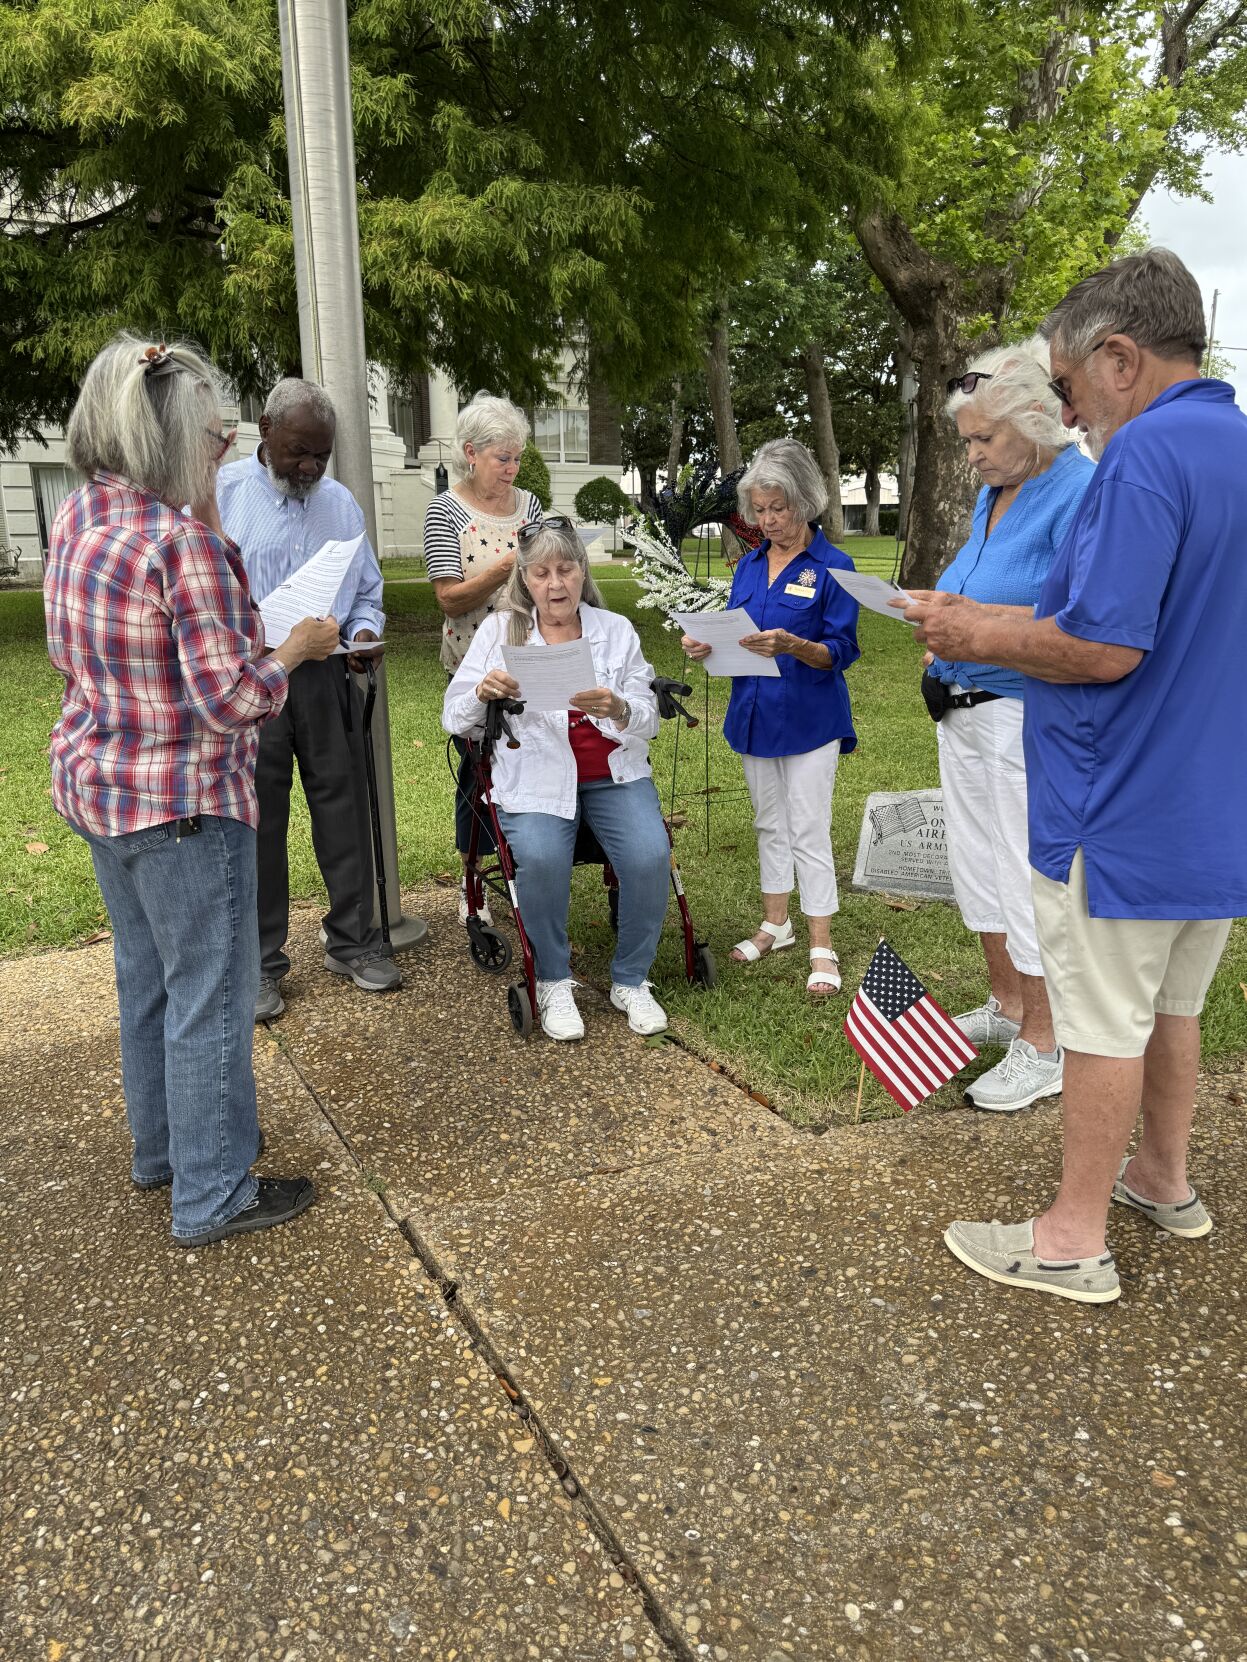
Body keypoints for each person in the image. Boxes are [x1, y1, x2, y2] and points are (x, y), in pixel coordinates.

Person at [902, 249, 1247, 1305]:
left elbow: (1099, 647)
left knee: (1099, 1025)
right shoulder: (1232, 444)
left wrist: (970, 629)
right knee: (1171, 1008)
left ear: (1117, 357)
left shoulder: (1140, 458)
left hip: (1119, 803)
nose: (1066, 410)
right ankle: (1162, 1178)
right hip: (1210, 804)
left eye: (1061, 387)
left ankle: (1068, 1239)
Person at [44, 335, 339, 1247]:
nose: (223, 452)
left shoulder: (82, 519)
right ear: (176, 441)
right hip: (183, 805)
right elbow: (234, 698)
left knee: (148, 982)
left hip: (102, 790)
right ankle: (212, 1194)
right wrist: (293, 649)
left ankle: (163, 1151)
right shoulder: (183, 545)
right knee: (211, 993)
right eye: (215, 438)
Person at [933, 340, 1095, 1111]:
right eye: (965, 439)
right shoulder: (994, 490)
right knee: (977, 868)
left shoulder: (1078, 490)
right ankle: (1005, 1006)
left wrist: (973, 618)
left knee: (1025, 875)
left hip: (1024, 713)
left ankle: (1046, 1039)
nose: (971, 456)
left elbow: (1083, 618)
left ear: (1036, 421)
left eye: (983, 439)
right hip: (962, 705)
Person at [443, 518, 671, 1042]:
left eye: (565, 570)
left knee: (649, 854)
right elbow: (453, 716)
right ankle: (552, 979)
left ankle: (631, 980)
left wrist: (618, 706)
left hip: (612, 773)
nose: (555, 584)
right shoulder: (502, 631)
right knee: (542, 857)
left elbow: (649, 718)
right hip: (537, 773)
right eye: (541, 573)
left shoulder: (616, 631)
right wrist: (482, 691)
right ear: (524, 579)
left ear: (581, 571)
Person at [217, 378, 399, 1022]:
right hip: (255, 677)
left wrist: (365, 631)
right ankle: (262, 965)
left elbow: (368, 589)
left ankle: (352, 942)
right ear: (264, 428)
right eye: (298, 450)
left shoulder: (340, 503)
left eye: (321, 455)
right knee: (258, 823)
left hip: (324, 677)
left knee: (344, 810)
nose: (309, 467)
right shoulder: (224, 494)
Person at [681, 438, 859, 997]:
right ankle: (775, 924)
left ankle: (821, 942)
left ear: (805, 502)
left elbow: (841, 650)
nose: (768, 520)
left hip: (809, 720)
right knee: (768, 824)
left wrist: (793, 645)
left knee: (808, 827)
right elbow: (739, 632)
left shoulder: (834, 566)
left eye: (777, 509)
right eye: (759, 510)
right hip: (753, 715)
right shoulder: (750, 565)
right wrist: (705, 645)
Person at [422, 393, 544, 925]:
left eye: (517, 457)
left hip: (528, 656)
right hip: (473, 663)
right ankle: (475, 878)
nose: (513, 469)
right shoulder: (444, 509)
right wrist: (507, 565)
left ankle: (530, 859)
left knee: (532, 757)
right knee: (478, 772)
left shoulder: (531, 505)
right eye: (503, 458)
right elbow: (450, 597)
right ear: (471, 453)